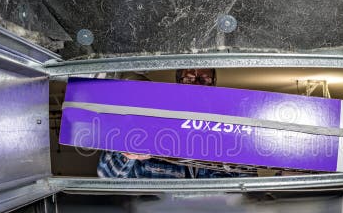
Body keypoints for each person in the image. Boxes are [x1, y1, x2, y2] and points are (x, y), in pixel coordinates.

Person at [97, 69, 252, 178]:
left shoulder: (230, 133)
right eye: (190, 78)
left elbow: (246, 181)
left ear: (213, 85)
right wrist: (127, 153)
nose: (197, 85)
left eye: (204, 79)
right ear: (179, 83)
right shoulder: (149, 124)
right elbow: (106, 174)